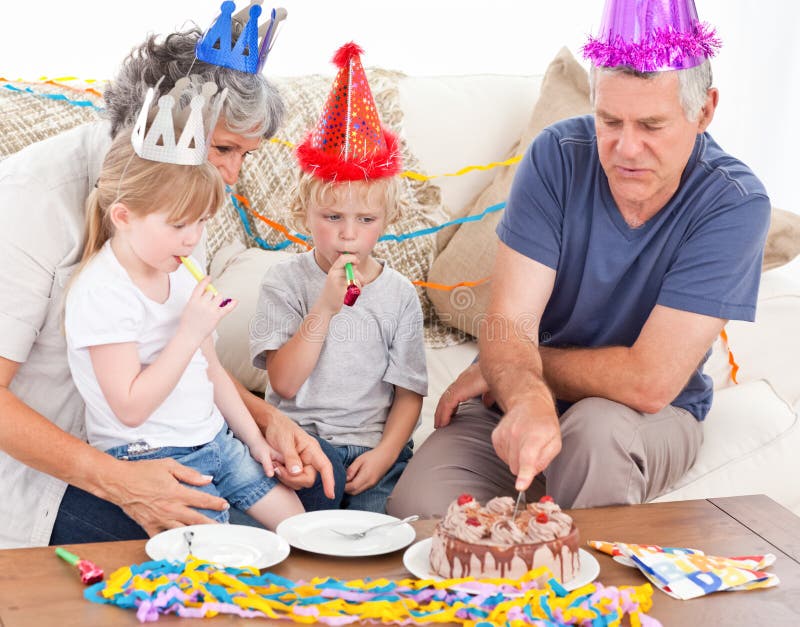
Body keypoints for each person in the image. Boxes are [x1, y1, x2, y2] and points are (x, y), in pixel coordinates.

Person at [387, 0, 771, 517]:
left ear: (704, 111)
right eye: (609, 120)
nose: (626, 148)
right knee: (422, 513)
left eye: (651, 126)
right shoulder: (556, 157)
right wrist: (522, 392)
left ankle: (581, 596)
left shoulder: (735, 203)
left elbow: (649, 382)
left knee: (596, 433)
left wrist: (520, 370)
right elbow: (507, 325)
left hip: (639, 417)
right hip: (519, 393)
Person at [0, 17, 332, 549]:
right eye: (223, 149)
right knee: (246, 548)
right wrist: (123, 484)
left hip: (176, 438)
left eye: (245, 155)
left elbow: (185, 352)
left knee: (317, 503)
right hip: (57, 471)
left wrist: (266, 421)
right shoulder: (29, 200)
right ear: (156, 131)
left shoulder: (183, 201)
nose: (232, 175)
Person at [65, 83, 305, 529]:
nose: (193, 239)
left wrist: (255, 441)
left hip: (214, 436)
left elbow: (209, 369)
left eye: (202, 222)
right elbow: (130, 407)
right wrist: (190, 332)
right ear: (123, 216)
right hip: (153, 454)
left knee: (299, 527)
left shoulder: (178, 264)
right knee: (222, 560)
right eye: (179, 224)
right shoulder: (103, 292)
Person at [249, 43, 428, 513]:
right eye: (332, 217)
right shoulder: (284, 283)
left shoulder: (400, 295)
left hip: (375, 454)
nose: (348, 235)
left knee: (374, 542)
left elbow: (410, 394)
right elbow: (285, 384)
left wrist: (386, 454)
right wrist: (325, 308)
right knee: (303, 534)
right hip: (302, 446)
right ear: (302, 210)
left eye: (365, 221)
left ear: (387, 219)